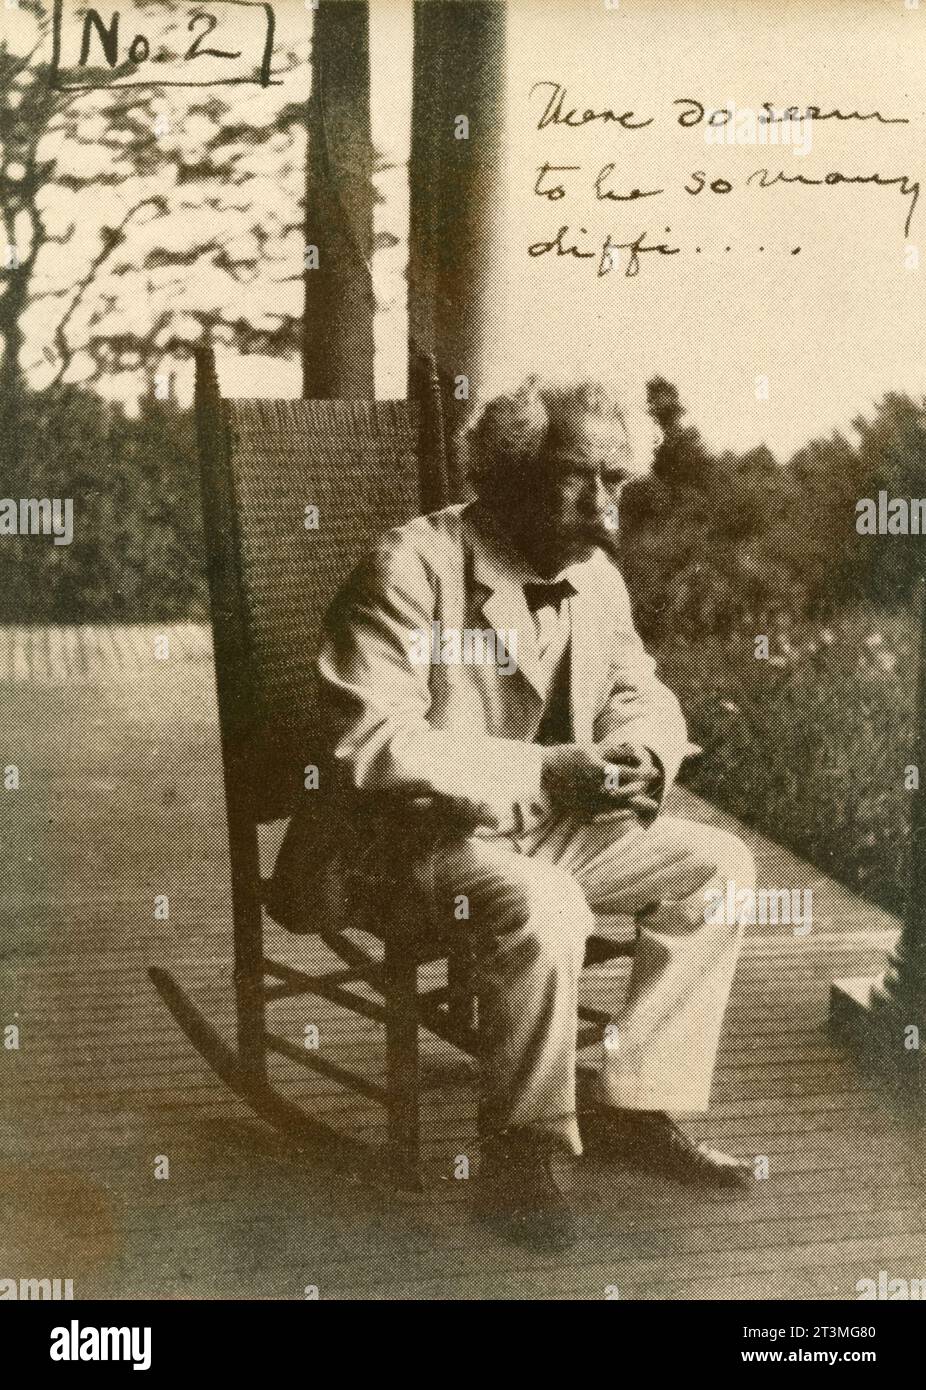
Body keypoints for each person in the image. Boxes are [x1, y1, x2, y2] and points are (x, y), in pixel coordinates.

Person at [271, 377, 757, 1251]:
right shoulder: (409, 566)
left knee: (719, 868)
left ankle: (634, 1100)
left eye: (616, 482)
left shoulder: (594, 577)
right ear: (505, 472)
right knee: (546, 904)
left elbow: (635, 688)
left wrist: (642, 752)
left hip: (533, 825)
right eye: (578, 477)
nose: (602, 504)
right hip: (408, 840)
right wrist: (548, 769)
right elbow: (369, 745)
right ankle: (520, 1152)